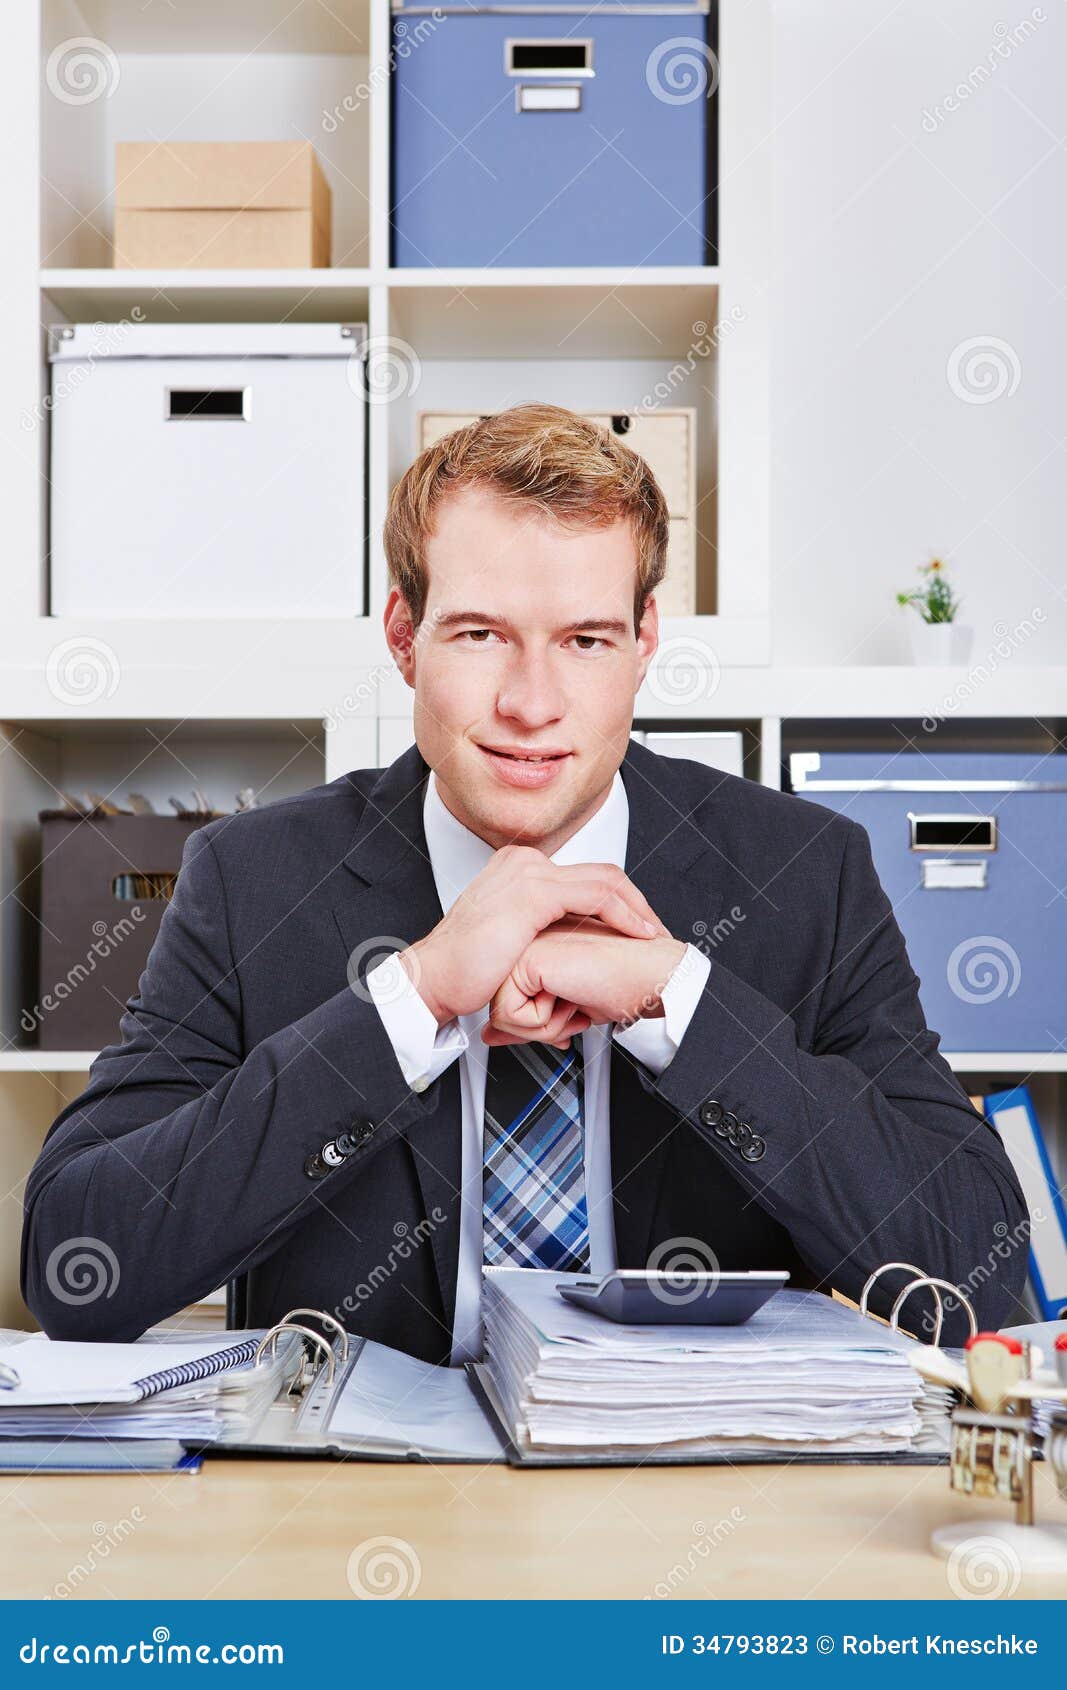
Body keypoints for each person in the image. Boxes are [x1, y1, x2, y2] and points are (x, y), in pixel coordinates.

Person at [21, 405, 1027, 1360]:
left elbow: (970, 1274)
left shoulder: (805, 874)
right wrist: (407, 1003)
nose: (531, 704)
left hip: (697, 1498)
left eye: (583, 641)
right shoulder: (252, 880)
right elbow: (74, 1270)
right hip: (360, 1511)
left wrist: (677, 1003)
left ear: (643, 646)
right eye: (479, 634)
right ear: (403, 638)